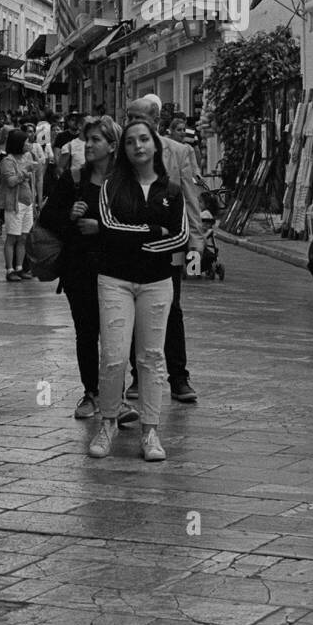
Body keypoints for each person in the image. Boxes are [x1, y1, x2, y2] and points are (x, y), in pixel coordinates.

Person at [89, 120, 188, 461]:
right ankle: (108, 422)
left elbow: (180, 236)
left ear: (155, 145)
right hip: (115, 279)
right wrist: (152, 231)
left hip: (157, 283)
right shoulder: (112, 186)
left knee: (151, 358)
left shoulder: (171, 191)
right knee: (114, 356)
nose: (138, 146)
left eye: (144, 139)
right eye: (131, 142)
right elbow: (109, 227)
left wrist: (142, 240)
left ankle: (150, 430)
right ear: (125, 150)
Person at [40, 116, 136, 426]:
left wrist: (102, 227)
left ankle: (116, 397)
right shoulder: (74, 178)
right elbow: (48, 219)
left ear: (112, 145)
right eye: (88, 139)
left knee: (116, 337)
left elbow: (136, 227)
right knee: (86, 332)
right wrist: (69, 215)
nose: (89, 145)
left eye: (96, 140)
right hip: (78, 269)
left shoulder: (126, 182)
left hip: (116, 269)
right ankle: (92, 393)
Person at [125, 95, 204, 403]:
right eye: (129, 116)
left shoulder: (180, 151)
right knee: (132, 310)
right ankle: (137, 377)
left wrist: (196, 243)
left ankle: (179, 377)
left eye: (138, 117)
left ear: (155, 121)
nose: (131, 122)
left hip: (168, 244)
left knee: (172, 311)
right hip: (131, 244)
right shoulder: (124, 150)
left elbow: (191, 199)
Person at [0, 129, 36, 281]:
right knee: (12, 237)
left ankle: (20, 267)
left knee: (23, 237)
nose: (28, 144)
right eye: (26, 142)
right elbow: (10, 181)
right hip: (15, 204)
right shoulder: (8, 161)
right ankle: (9, 269)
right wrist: (24, 173)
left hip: (27, 203)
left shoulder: (27, 157)